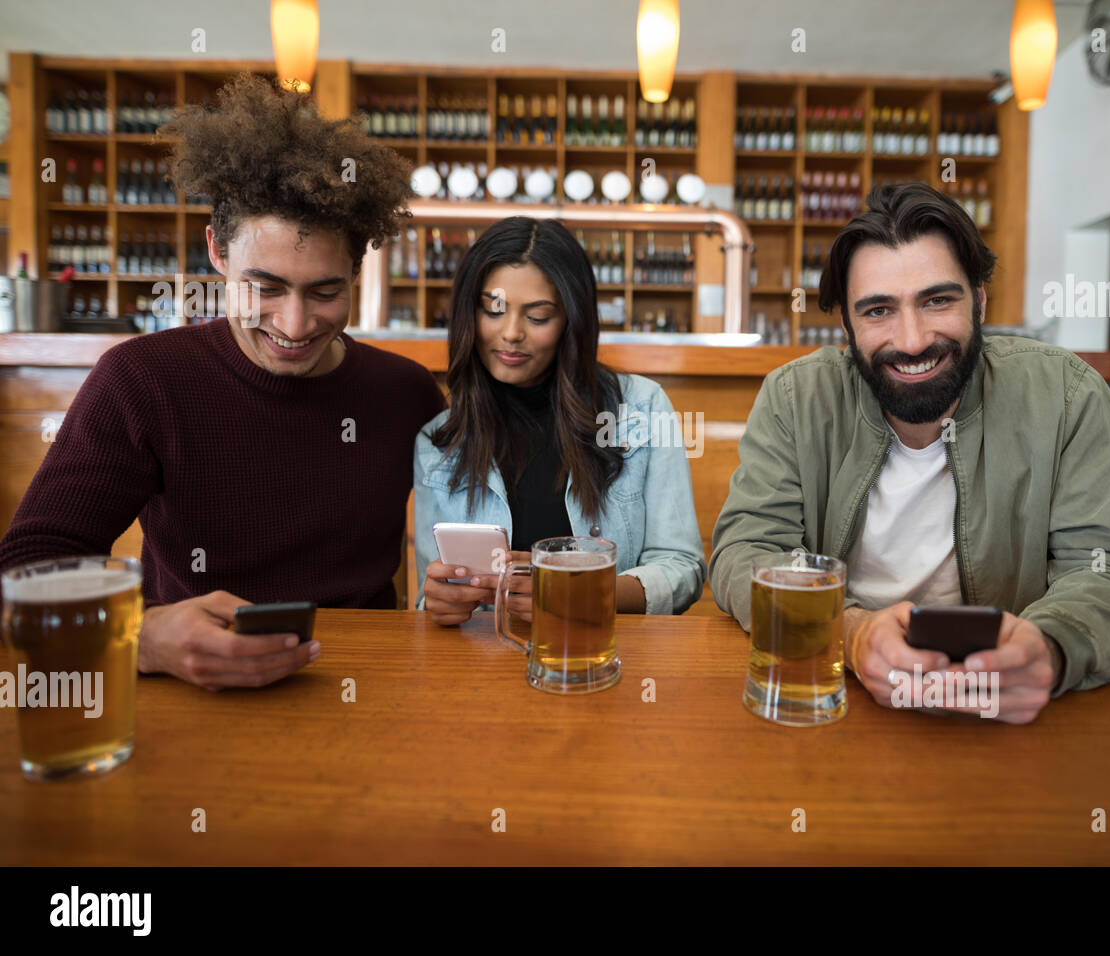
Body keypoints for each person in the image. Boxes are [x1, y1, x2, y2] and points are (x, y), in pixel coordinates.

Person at [0, 74, 444, 690]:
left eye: (325, 291)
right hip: (187, 688)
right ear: (216, 251)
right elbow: (28, 567)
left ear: (357, 269)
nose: (294, 324)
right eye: (263, 287)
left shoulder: (407, 394)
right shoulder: (143, 380)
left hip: (366, 684)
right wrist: (143, 636)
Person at [709, 182, 1110, 724]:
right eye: (878, 310)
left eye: (937, 300)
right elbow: (746, 549)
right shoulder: (794, 399)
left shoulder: (1067, 397)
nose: (911, 339)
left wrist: (1051, 648)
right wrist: (850, 633)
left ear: (980, 298)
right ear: (848, 328)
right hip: (839, 693)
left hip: (1014, 708)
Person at [414, 216, 705, 622]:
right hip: (481, 668)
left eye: (537, 316)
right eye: (493, 310)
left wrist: (582, 593)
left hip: (604, 659)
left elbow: (681, 569)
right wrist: (437, 603)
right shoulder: (439, 439)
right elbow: (434, 597)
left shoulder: (642, 408)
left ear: (571, 320)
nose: (511, 333)